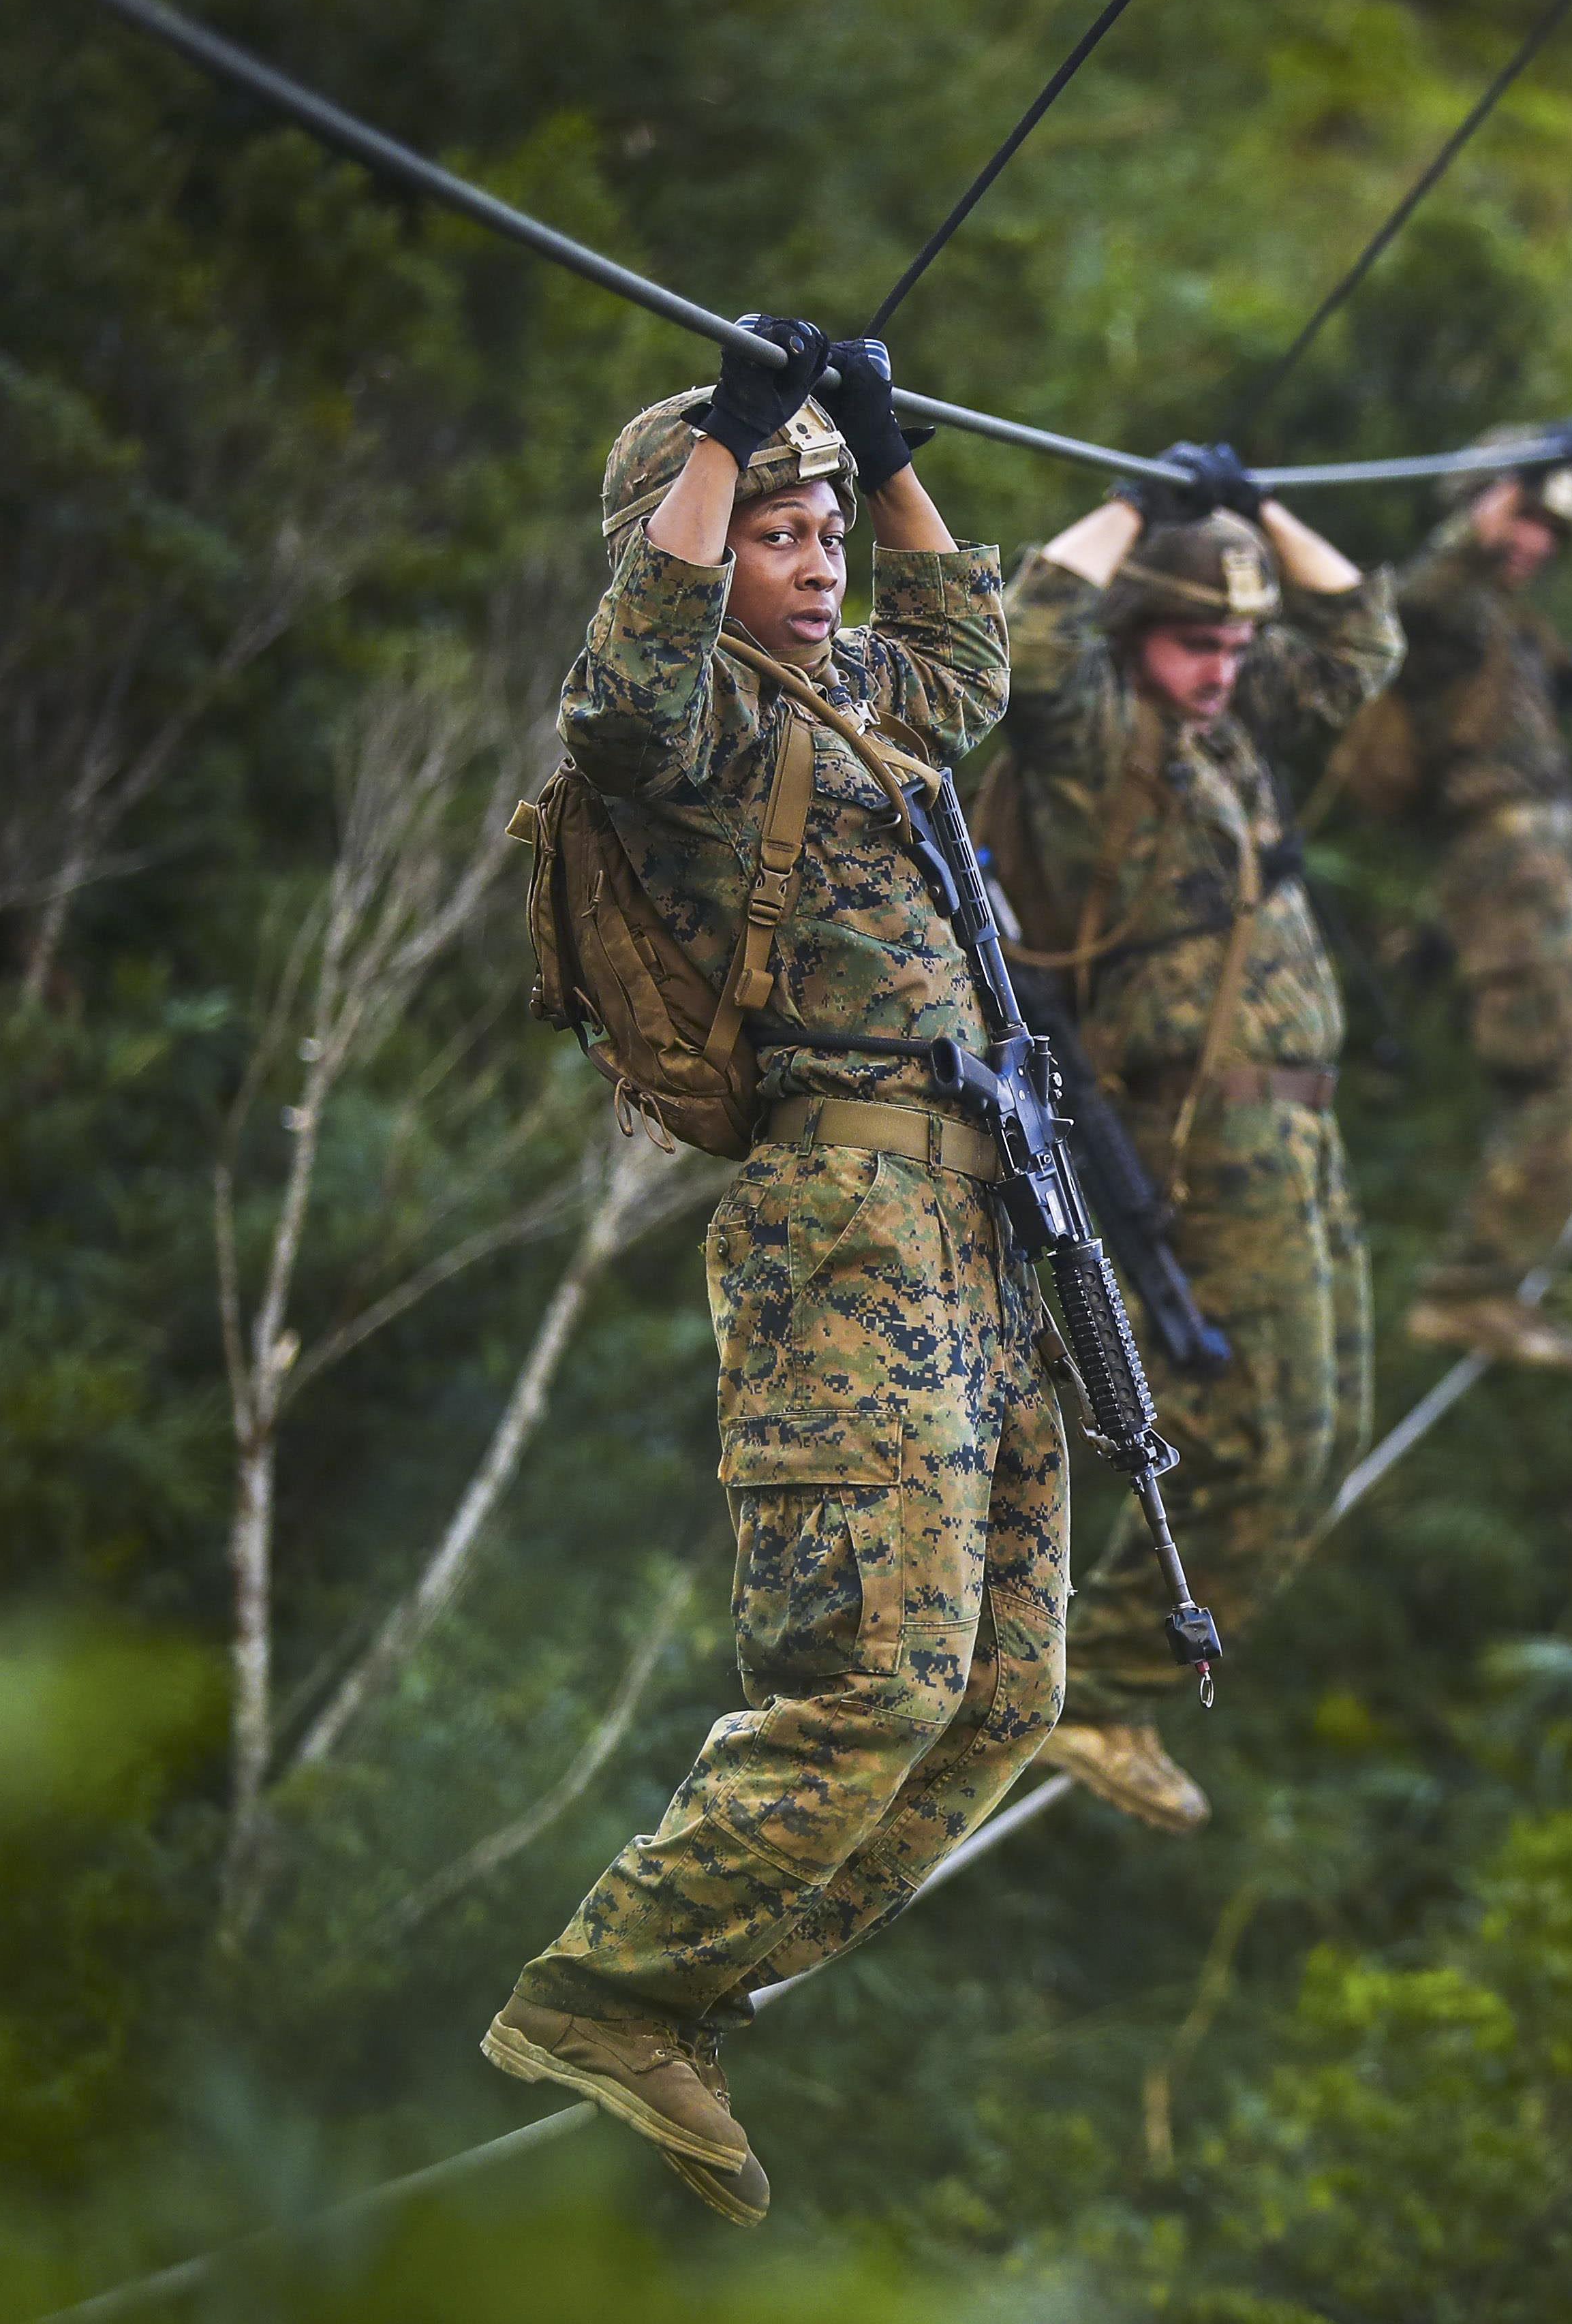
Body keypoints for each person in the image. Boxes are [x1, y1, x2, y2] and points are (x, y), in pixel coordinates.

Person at [482, 321, 1040, 2230]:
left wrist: (884, 462)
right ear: (702, 545)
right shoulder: (695, 726)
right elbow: (617, 701)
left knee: (1000, 1687)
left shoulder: (857, 694)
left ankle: (688, 1991)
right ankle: (606, 1990)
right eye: (778, 530)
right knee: (871, 1675)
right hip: (850, 1226)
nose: (815, 559)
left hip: (980, 1230)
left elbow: (968, 654)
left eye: (821, 529)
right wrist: (719, 446)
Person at [972, 450, 1402, 1835]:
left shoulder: (1230, 723)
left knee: (1327, 1425)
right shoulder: (1098, 743)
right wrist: (1136, 511)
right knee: (1254, 1432)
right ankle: (1092, 1685)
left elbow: (1358, 637)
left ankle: (1112, 1683)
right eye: (1190, 640)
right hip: (1198, 1129)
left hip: (1293, 1123)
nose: (1219, 667)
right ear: (1135, 637)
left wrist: (1254, 508)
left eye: (1233, 642)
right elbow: (1030, 637)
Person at [1381, 438, 1572, 1370]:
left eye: (1550, 528)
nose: (1536, 539)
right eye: (1524, 518)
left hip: (1532, 856)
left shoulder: (1504, 626)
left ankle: (1489, 1276)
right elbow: (1414, 597)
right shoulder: (1446, 607)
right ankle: (1468, 1289)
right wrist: (1500, 493)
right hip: (1503, 859)